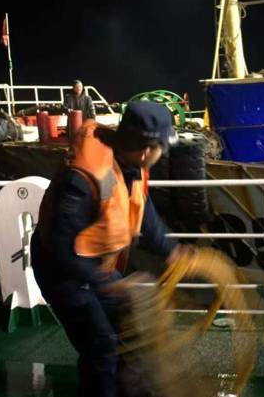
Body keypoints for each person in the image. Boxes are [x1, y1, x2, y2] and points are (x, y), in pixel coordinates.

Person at [31, 101, 191, 397]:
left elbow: (144, 216)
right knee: (100, 344)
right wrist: (109, 283)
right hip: (62, 271)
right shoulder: (81, 179)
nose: (163, 155)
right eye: (162, 148)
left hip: (95, 268)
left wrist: (171, 250)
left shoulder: (130, 168)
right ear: (146, 150)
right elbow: (61, 246)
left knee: (132, 332)